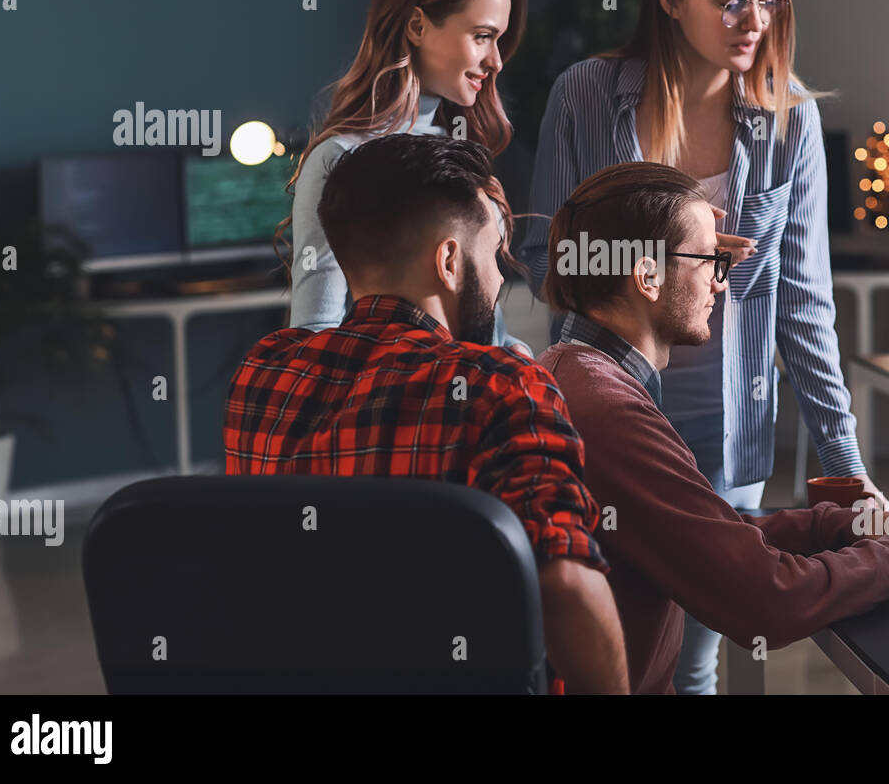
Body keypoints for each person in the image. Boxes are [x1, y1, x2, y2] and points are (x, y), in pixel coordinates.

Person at [518, 0, 889, 692]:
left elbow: (804, 306)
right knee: (617, 647)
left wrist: (848, 470)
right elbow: (536, 249)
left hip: (729, 430)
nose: (751, 20)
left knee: (697, 662)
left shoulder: (787, 119)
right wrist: (659, 253)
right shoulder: (586, 94)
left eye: (767, 0)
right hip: (607, 416)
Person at [535, 161, 889, 694]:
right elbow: (768, 600)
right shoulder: (608, 411)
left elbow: (706, 534)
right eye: (709, 258)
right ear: (646, 276)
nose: (722, 277)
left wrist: (846, 526)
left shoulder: (572, 373)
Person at [228, 133, 628, 694]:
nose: (496, 277)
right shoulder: (503, 386)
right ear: (448, 260)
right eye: (491, 254)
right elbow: (565, 585)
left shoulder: (263, 373)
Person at [277, 0, 530, 353]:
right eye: (482, 36)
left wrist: (514, 357)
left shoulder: (453, 147)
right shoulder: (338, 159)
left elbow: (483, 321)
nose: (497, 61)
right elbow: (316, 332)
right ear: (417, 26)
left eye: (499, 40)